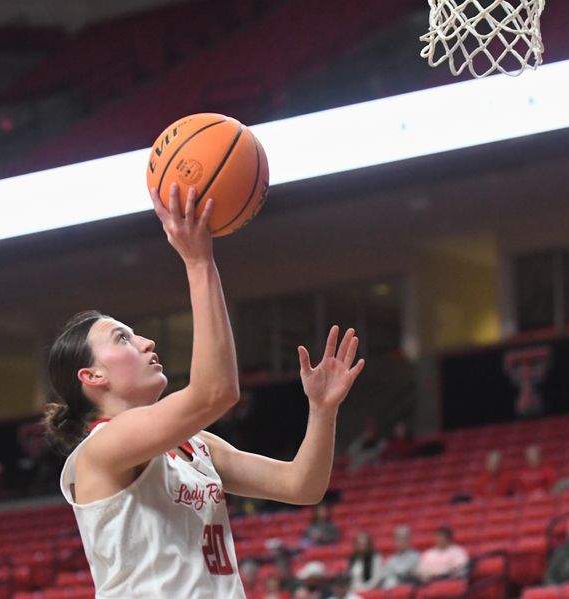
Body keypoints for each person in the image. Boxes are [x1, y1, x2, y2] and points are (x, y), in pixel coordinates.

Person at [48, 184, 365, 598]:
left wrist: (322, 410)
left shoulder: (197, 445)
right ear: (92, 376)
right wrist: (199, 263)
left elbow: (301, 486)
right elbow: (216, 392)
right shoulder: (102, 449)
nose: (146, 343)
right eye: (123, 339)